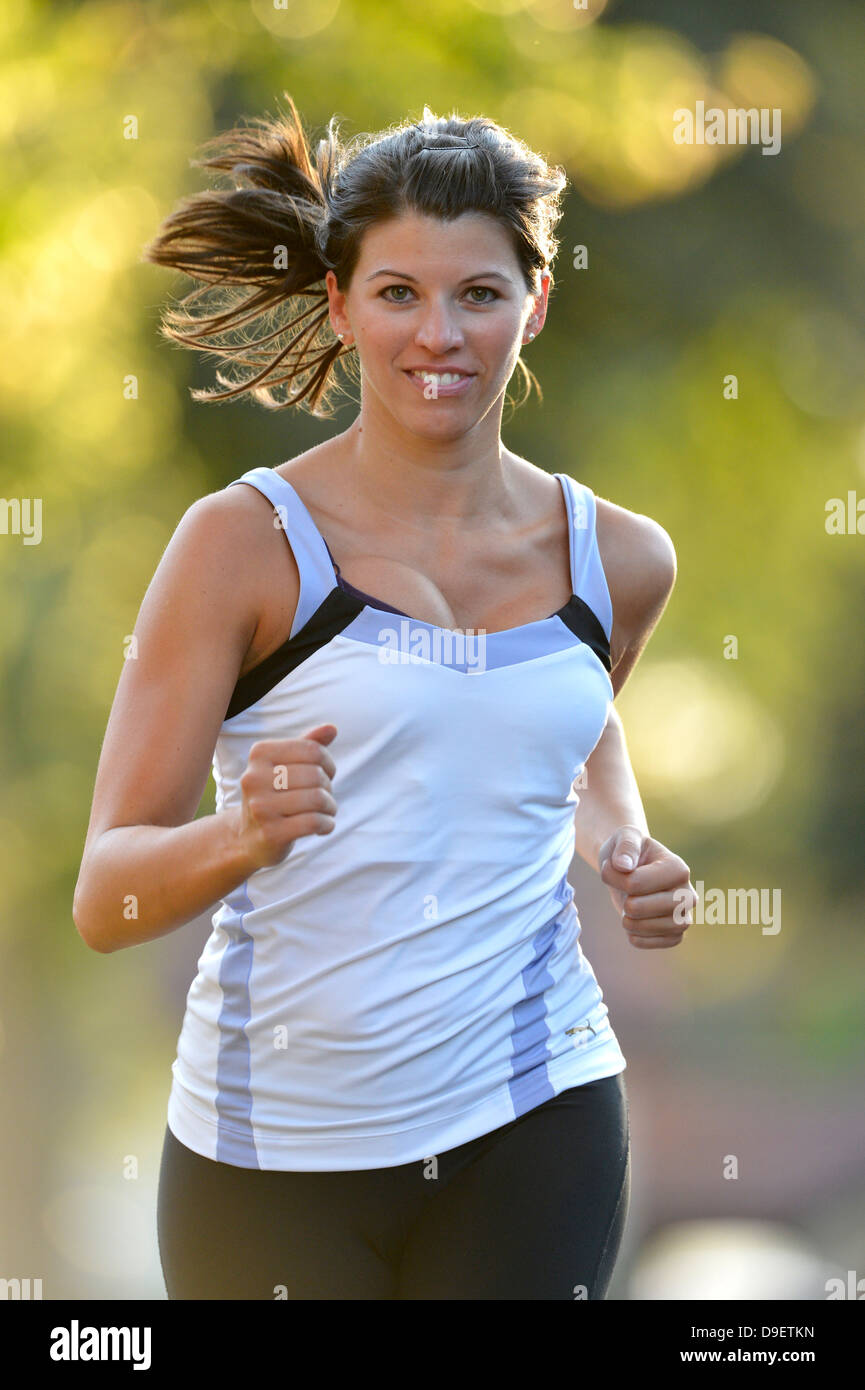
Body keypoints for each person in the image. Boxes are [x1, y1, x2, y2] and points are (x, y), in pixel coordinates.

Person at [72, 96, 696, 1300]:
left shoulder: (619, 560)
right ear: (341, 305)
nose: (441, 335)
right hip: (273, 1152)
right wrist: (241, 833)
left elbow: (567, 726)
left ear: (535, 302)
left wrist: (625, 845)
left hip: (535, 1109)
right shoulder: (244, 545)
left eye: (480, 292)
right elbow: (107, 896)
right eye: (399, 292)